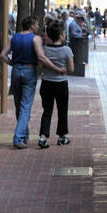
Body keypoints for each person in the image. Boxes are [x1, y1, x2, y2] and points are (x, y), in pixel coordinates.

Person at [0, 15, 65, 148]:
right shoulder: (36, 39)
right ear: (31, 26)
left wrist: (13, 64)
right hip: (29, 71)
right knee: (25, 105)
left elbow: (2, 55)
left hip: (16, 71)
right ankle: (18, 138)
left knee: (19, 105)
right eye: (37, 24)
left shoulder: (15, 37)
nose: (38, 26)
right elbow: (41, 57)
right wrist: (57, 68)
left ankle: (24, 135)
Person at [37, 19, 74, 147]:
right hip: (61, 84)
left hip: (46, 83)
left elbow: (40, 66)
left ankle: (43, 137)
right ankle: (62, 137)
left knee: (47, 110)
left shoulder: (44, 49)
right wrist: (61, 68)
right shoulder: (67, 50)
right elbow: (72, 69)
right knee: (62, 111)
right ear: (61, 35)